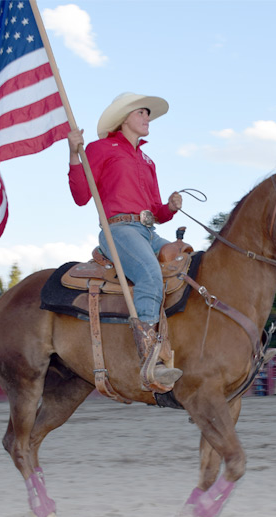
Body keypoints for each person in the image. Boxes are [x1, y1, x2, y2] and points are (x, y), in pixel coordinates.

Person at [68, 92, 183, 390]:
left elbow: (155, 211)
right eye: (141, 113)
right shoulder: (100, 148)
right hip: (118, 231)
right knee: (149, 273)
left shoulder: (147, 160)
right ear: (124, 119)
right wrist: (73, 154)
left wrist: (169, 208)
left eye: (148, 114)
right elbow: (81, 196)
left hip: (148, 232)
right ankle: (148, 360)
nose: (147, 119)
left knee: (184, 262)